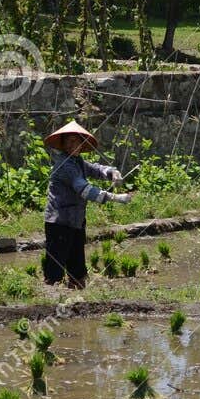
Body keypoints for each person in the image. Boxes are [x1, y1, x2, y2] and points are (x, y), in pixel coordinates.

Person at [42, 120, 131, 287]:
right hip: (59, 221)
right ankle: (49, 299)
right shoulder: (64, 165)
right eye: (69, 141)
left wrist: (112, 172)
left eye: (76, 141)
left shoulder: (78, 162)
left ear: (82, 144)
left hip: (75, 220)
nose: (72, 145)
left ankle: (76, 290)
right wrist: (115, 198)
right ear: (63, 144)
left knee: (77, 263)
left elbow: (96, 169)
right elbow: (84, 189)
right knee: (55, 267)